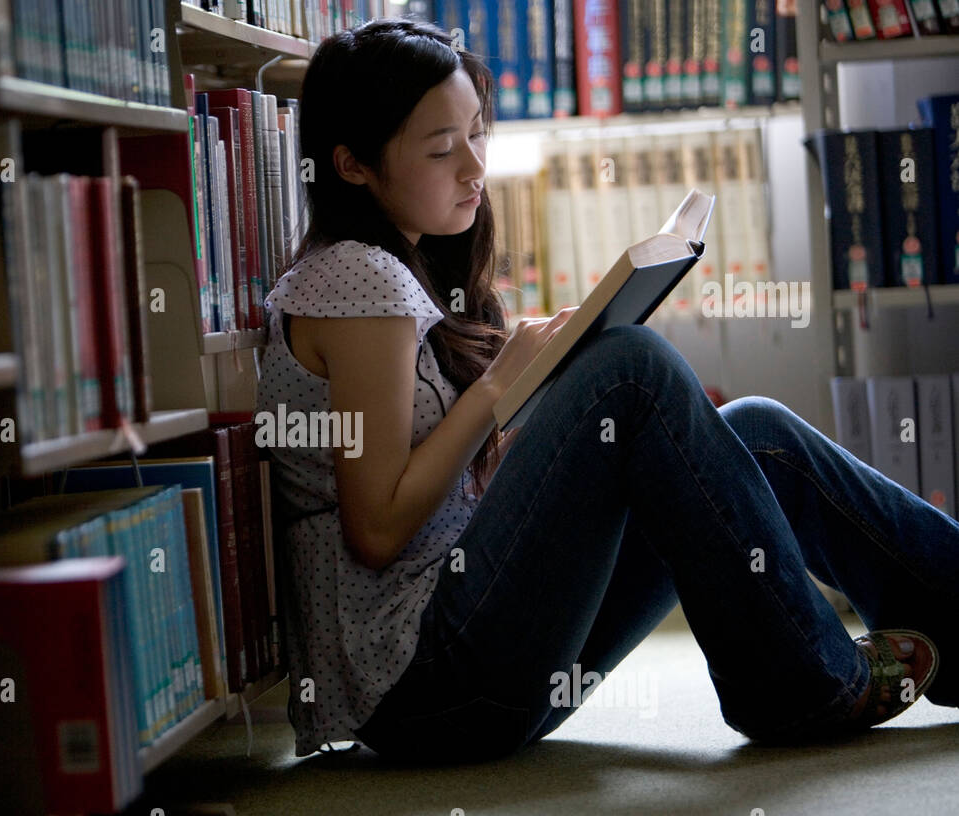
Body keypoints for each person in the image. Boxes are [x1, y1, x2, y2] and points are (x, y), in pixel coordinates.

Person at [253, 18, 954, 765]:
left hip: (473, 648)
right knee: (631, 368)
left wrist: (537, 408)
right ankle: (803, 683)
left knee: (756, 434)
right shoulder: (357, 278)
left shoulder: (405, 270)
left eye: (476, 134)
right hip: (427, 685)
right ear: (353, 165)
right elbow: (378, 528)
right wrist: (496, 386)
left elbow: (444, 488)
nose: (473, 168)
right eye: (439, 148)